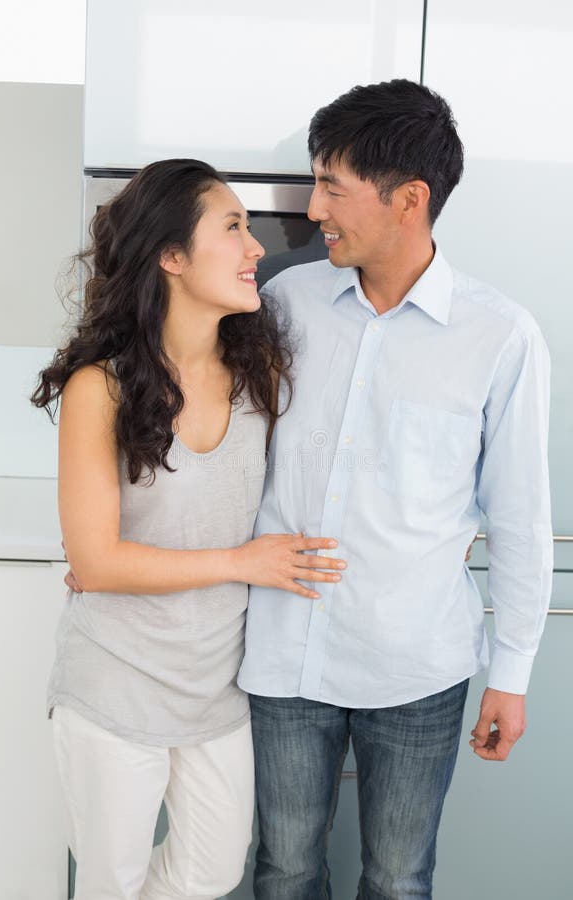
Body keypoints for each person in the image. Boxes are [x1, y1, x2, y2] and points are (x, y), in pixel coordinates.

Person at [237, 79, 553, 899]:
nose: (313, 209)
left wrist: (511, 676)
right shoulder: (284, 304)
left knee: (400, 878)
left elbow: (520, 518)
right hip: (283, 657)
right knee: (283, 871)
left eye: (332, 187)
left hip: (415, 665)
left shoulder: (501, 336)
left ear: (408, 198)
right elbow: (217, 450)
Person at [31, 158, 346, 900]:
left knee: (213, 869)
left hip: (216, 688)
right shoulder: (98, 388)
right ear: (171, 256)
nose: (256, 248)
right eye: (232, 227)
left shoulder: (258, 373)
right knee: (113, 881)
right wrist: (243, 562)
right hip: (115, 682)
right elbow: (98, 562)